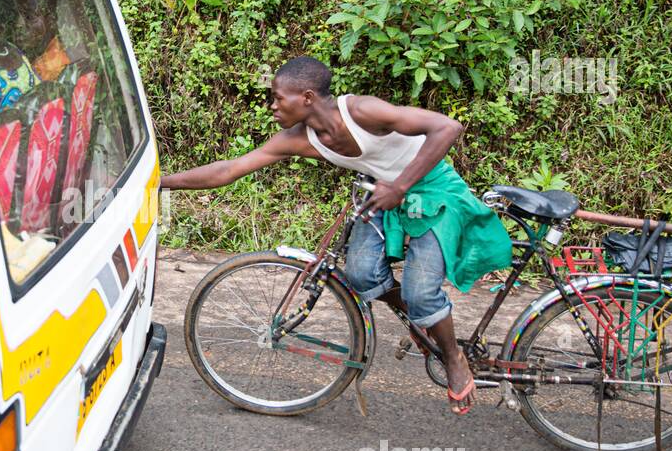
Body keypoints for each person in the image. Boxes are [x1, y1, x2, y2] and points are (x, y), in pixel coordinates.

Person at [159, 56, 513, 415]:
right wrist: (160, 183)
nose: (272, 106)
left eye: (278, 98)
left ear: (308, 97)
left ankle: (452, 356)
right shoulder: (300, 139)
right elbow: (231, 169)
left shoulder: (363, 111)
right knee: (360, 274)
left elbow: (447, 127)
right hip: (384, 194)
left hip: (434, 193)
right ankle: (426, 326)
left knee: (421, 291)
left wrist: (401, 184)